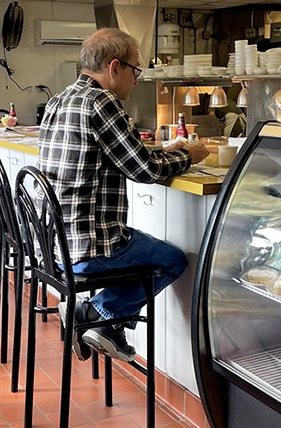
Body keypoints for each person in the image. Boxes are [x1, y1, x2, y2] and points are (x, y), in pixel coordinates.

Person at [38, 27, 208, 362]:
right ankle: (98, 315)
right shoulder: (103, 102)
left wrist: (163, 149)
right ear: (115, 67)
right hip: (90, 247)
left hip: (54, 245)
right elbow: (145, 170)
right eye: (136, 70)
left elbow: (125, 154)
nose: (137, 79)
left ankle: (94, 317)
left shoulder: (60, 99)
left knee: (148, 248)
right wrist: (190, 155)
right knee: (174, 259)